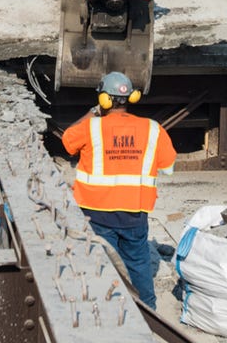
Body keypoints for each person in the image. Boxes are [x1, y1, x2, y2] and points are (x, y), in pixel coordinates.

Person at [61, 71, 176, 310]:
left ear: (103, 100)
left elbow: (66, 140)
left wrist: (93, 111)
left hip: (96, 213)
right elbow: (168, 167)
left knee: (99, 263)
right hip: (134, 212)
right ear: (131, 98)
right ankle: (148, 312)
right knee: (138, 262)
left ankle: (105, 309)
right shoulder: (153, 129)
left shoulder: (91, 127)